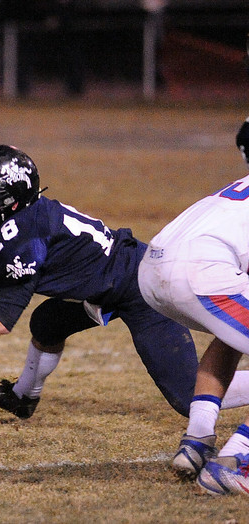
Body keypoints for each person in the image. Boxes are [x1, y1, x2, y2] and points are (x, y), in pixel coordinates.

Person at [0, 144, 249, 431]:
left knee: (187, 396)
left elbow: (0, 323)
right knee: (48, 322)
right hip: (107, 284)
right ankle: (24, 397)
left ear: (11, 198)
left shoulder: (24, 234)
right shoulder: (17, 219)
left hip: (141, 290)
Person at [137, 169, 249, 495]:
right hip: (201, 268)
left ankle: (197, 439)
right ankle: (236, 462)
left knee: (232, 334)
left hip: (154, 268)